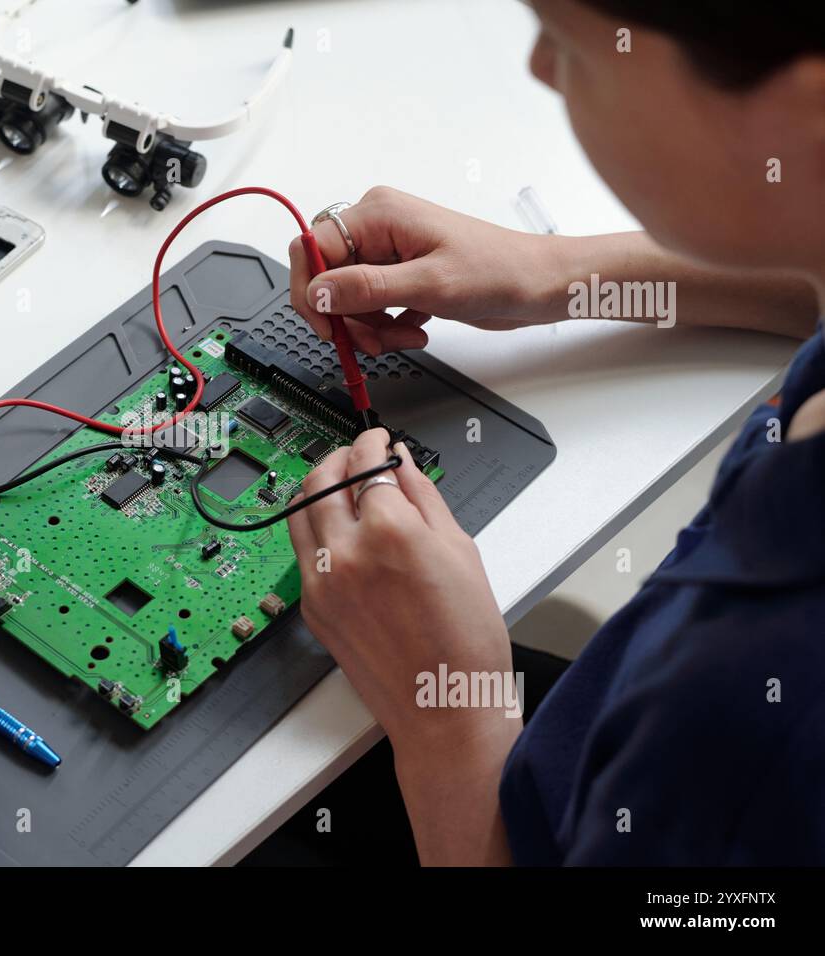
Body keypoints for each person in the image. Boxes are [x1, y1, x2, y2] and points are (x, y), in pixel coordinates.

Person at [270, 0, 825, 865]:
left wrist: (448, 718)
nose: (538, 67)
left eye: (570, 42)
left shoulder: (755, 706)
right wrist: (555, 273)